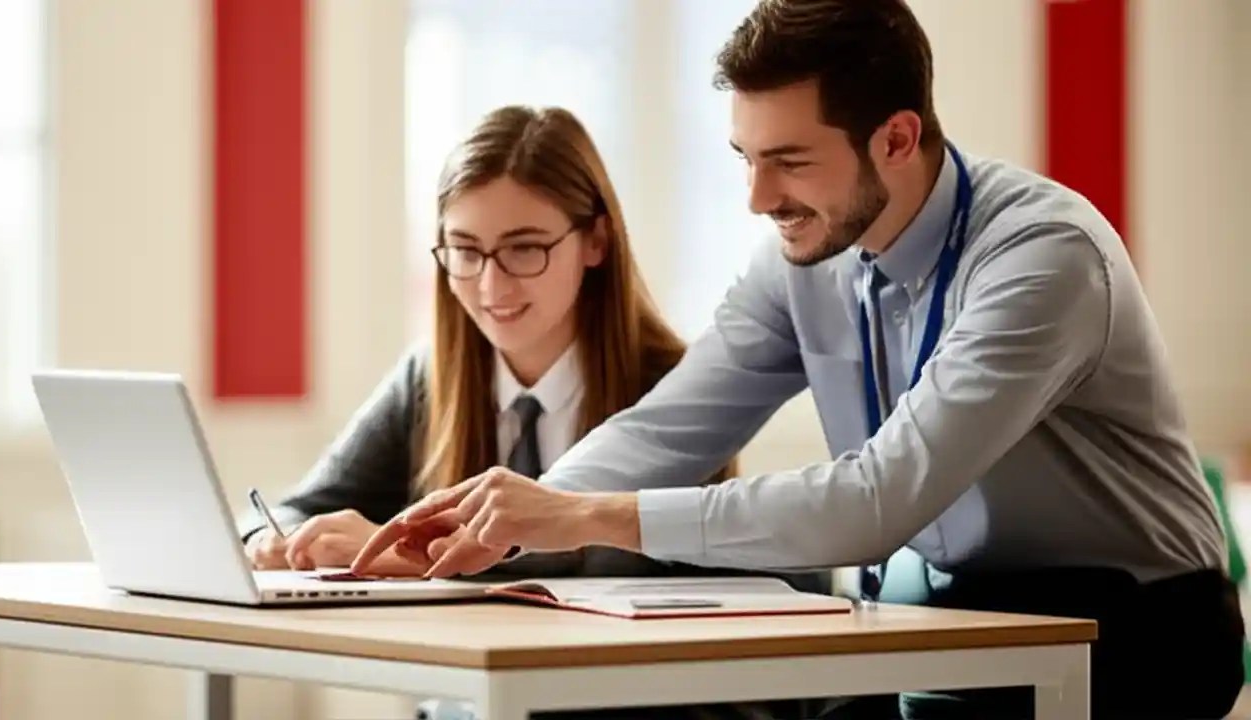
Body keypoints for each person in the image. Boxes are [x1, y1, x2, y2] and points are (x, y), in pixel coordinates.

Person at [353, 1, 1247, 718]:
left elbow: (875, 499)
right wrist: (502, 525)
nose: (755, 197)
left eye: (787, 160)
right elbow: (667, 428)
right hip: (948, 611)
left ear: (897, 139)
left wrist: (587, 515)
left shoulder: (1041, 258)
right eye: (743, 157)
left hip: (1135, 624)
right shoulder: (802, 256)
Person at [238, 104, 737, 581]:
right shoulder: (429, 376)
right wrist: (272, 537)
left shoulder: (676, 387)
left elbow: (624, 566)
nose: (491, 287)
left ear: (596, 242)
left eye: (524, 249)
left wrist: (415, 558)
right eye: (466, 251)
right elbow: (300, 506)